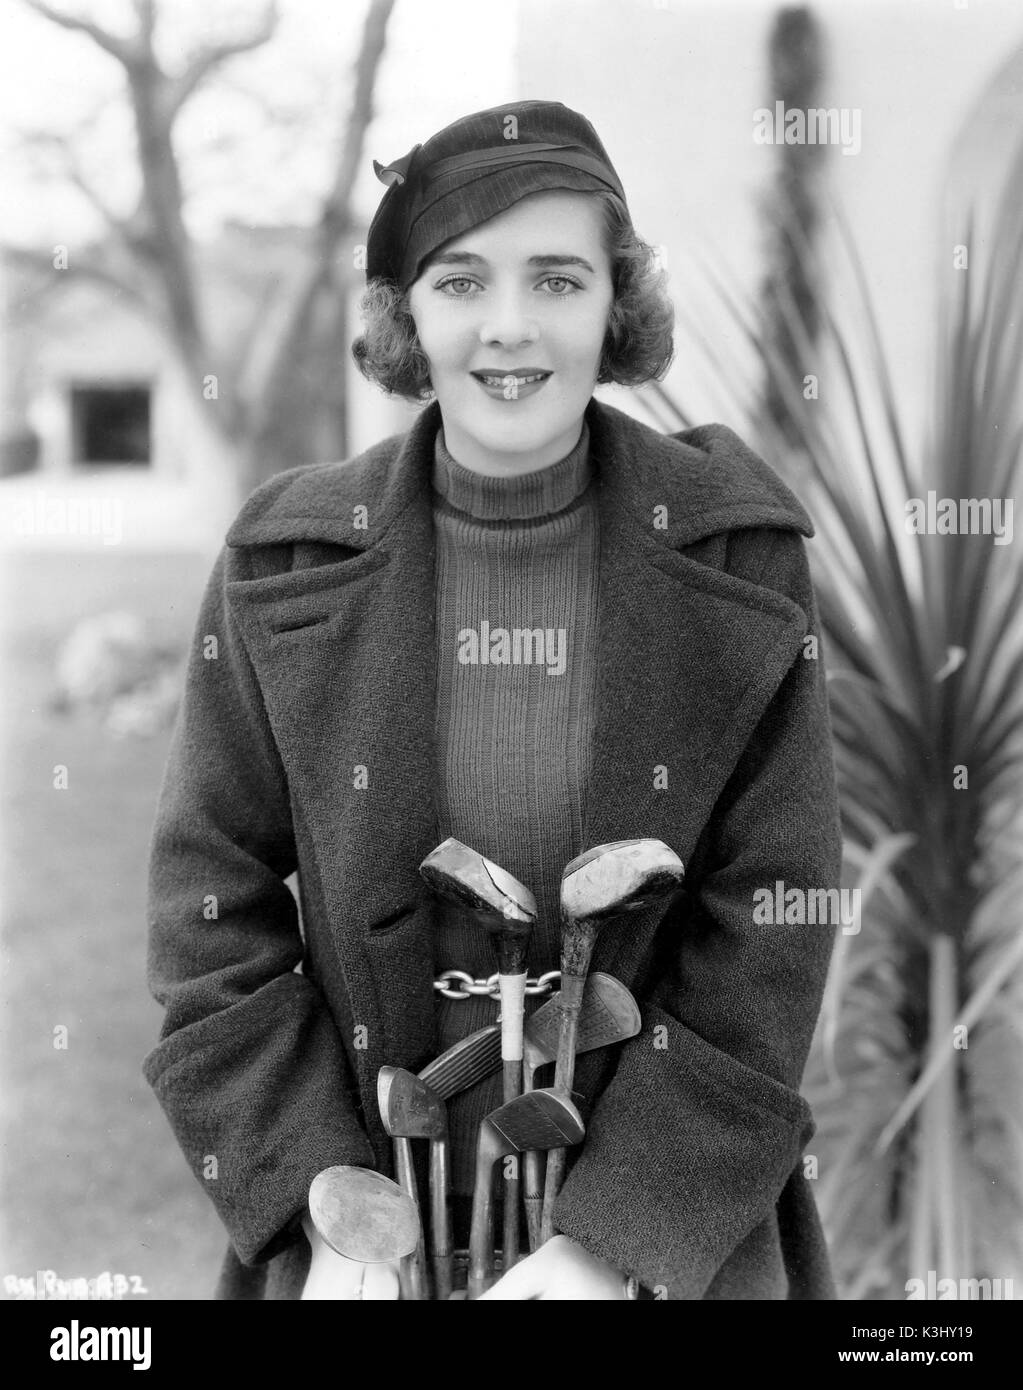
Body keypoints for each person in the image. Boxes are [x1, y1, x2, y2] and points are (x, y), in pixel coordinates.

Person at [144, 99, 842, 1300]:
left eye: (557, 280)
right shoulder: (284, 562)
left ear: (615, 307)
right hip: (362, 1257)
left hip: (669, 1254)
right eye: (461, 282)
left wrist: (612, 1245)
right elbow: (210, 914)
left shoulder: (738, 556)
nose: (509, 328)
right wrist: (318, 1199)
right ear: (404, 313)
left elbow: (771, 928)